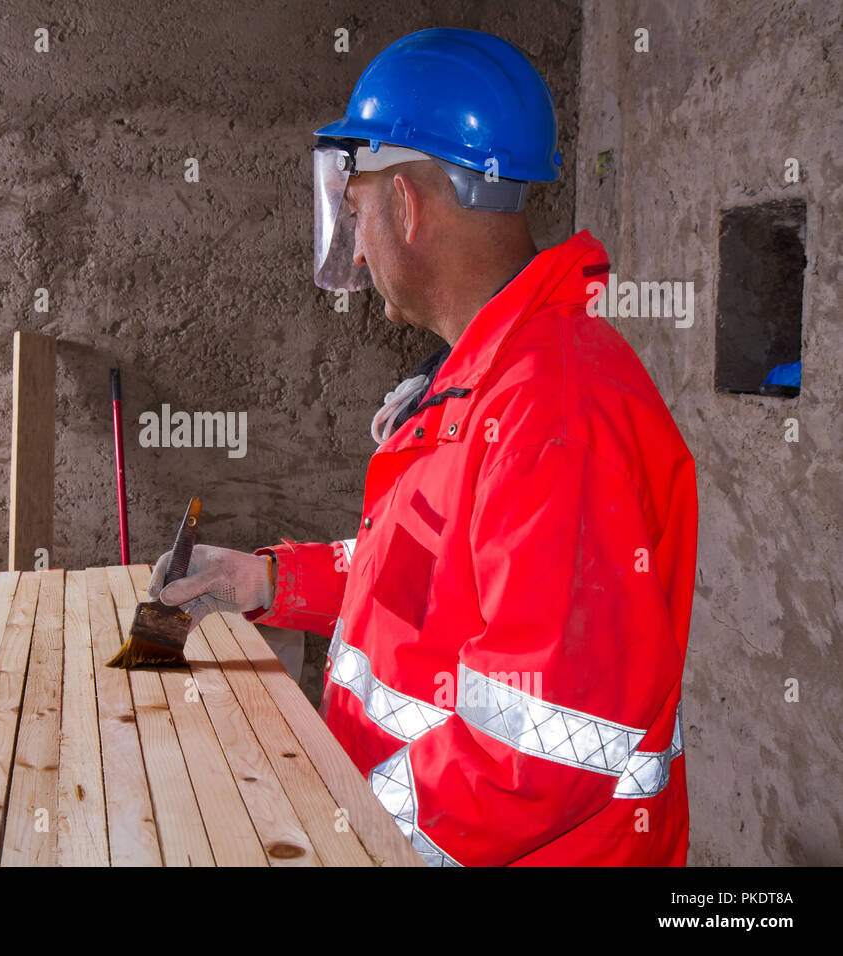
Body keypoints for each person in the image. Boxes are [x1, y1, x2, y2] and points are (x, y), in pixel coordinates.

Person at [147, 28, 697, 866]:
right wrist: (264, 578)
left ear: (406, 204)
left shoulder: (556, 414)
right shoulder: (476, 381)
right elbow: (424, 582)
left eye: (359, 209)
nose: (359, 248)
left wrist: (336, 830)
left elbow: (542, 755)